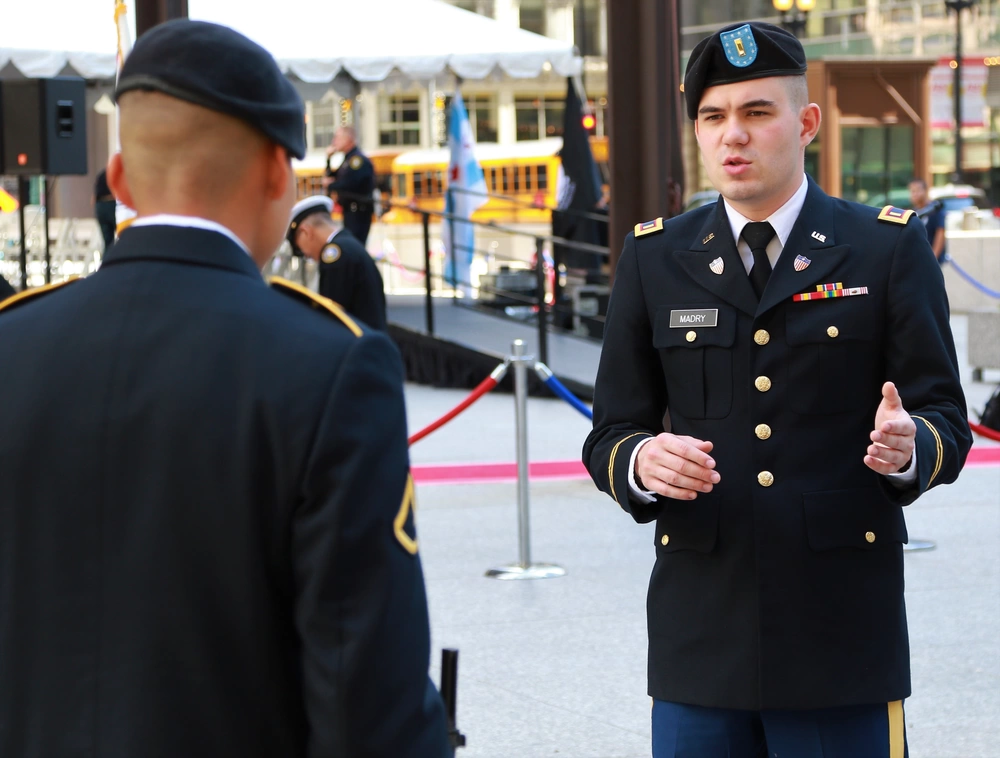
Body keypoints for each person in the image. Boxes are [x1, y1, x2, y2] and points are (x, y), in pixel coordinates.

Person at [0, 19, 450, 758]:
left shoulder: (11, 343)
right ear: (280, 174)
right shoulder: (329, 366)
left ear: (118, 180)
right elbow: (365, 695)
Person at [582, 21, 971, 758]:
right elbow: (610, 430)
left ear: (807, 121)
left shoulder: (886, 248)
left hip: (840, 638)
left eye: (757, 112)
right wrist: (640, 462)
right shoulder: (654, 258)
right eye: (713, 116)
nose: (734, 135)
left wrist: (910, 446)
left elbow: (946, 416)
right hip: (701, 636)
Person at [287, 195, 387, 331]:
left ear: (306, 232)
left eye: (301, 250)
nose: (307, 255)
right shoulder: (348, 244)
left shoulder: (335, 255)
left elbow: (331, 320)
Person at [323, 126, 375, 245]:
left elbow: (349, 184)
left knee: (355, 246)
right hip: (349, 210)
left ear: (348, 139)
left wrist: (331, 185)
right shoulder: (347, 160)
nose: (334, 142)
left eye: (337, 138)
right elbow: (331, 177)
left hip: (358, 212)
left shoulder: (357, 160)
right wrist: (328, 160)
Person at [908, 177, 947, 262]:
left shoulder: (935, 209)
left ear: (925, 191)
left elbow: (940, 234)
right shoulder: (913, 213)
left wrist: (933, 259)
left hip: (932, 260)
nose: (915, 194)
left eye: (918, 190)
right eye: (912, 191)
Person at [94, 166, 117, 253]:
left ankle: (107, 263)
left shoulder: (101, 175)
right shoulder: (117, 174)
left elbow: (93, 198)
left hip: (100, 206)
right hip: (111, 204)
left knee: (107, 243)